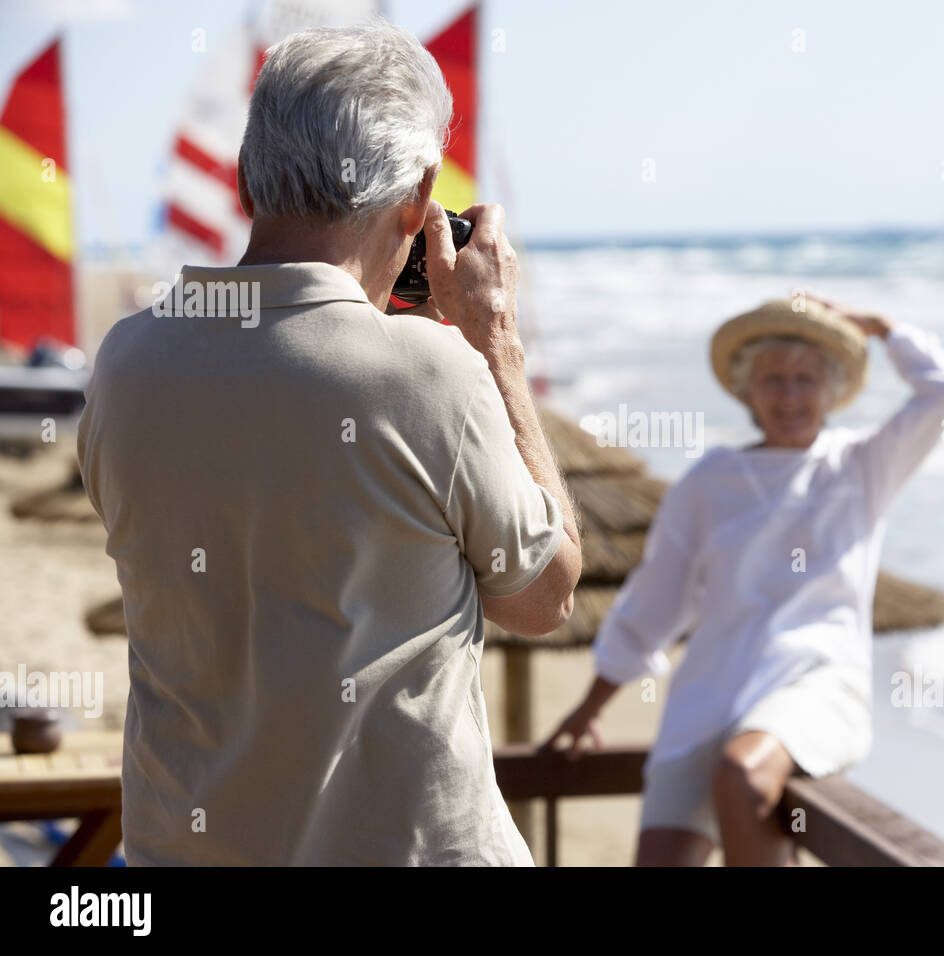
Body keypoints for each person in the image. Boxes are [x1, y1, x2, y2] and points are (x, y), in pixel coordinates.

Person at [77, 20, 581, 865]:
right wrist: (495, 341)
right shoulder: (430, 373)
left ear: (246, 177)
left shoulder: (128, 362)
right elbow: (545, 596)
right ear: (420, 199)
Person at [544, 295, 944, 865]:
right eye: (773, 379)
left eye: (805, 379)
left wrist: (881, 326)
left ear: (831, 390)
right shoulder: (708, 484)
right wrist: (591, 706)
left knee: (743, 776)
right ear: (747, 391)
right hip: (708, 697)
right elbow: (654, 603)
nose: (789, 395)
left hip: (813, 687)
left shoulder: (861, 467)